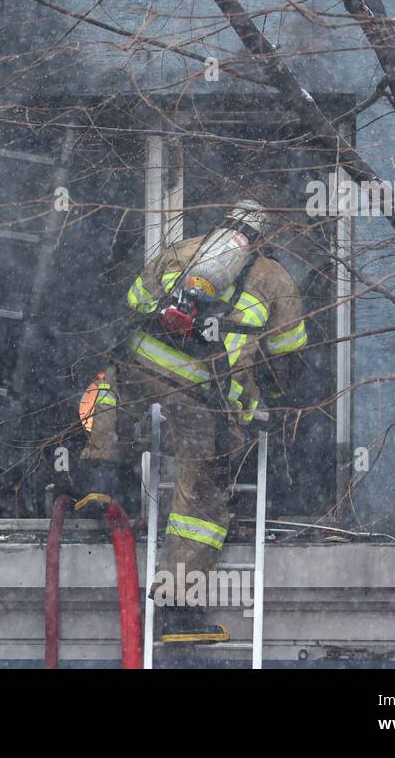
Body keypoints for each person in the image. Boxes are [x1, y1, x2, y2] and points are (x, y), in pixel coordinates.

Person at [74, 199, 308, 642]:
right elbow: (287, 356)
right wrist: (272, 398)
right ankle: (179, 609)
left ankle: (98, 479)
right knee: (201, 492)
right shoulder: (277, 280)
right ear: (265, 240)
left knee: (109, 387)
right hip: (203, 395)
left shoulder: (180, 251)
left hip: (142, 365)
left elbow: (134, 302)